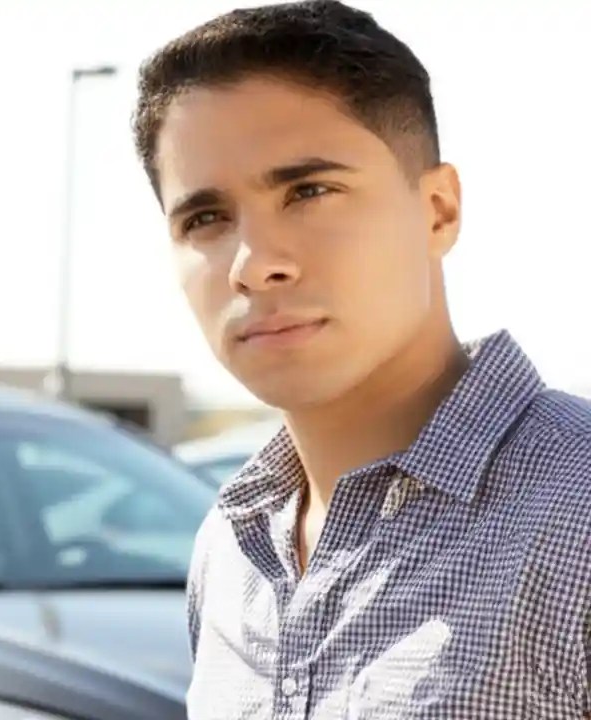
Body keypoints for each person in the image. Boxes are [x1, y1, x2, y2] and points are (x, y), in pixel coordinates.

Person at [130, 1, 591, 717]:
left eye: (310, 192)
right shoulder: (231, 547)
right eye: (207, 218)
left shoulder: (576, 512)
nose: (254, 264)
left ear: (437, 210)